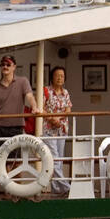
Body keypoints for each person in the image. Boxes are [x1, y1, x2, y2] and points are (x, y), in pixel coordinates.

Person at [0, 55, 39, 158]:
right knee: (1, 160)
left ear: (14, 67)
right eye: (3, 64)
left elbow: (29, 96)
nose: (5, 67)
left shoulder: (23, 81)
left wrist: (34, 107)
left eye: (8, 64)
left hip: (16, 127)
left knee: (15, 161)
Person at [41, 66, 72, 196]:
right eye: (57, 75)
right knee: (54, 158)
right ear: (52, 77)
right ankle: (66, 187)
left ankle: (56, 190)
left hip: (62, 129)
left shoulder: (65, 92)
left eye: (62, 76)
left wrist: (58, 118)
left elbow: (68, 109)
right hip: (48, 130)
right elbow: (41, 108)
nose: (60, 78)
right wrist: (51, 118)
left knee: (59, 159)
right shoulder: (46, 91)